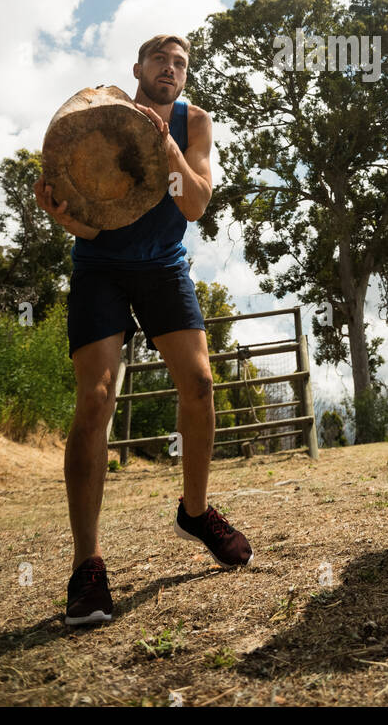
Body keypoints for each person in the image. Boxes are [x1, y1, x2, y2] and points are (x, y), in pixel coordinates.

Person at [34, 33, 252, 627]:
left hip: (162, 267)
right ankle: (87, 567)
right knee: (96, 399)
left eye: (180, 63)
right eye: (160, 59)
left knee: (201, 385)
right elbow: (87, 224)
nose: (170, 69)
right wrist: (62, 217)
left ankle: (196, 511)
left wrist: (169, 149)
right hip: (101, 268)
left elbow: (194, 204)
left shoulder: (195, 122)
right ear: (137, 67)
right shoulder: (98, 115)